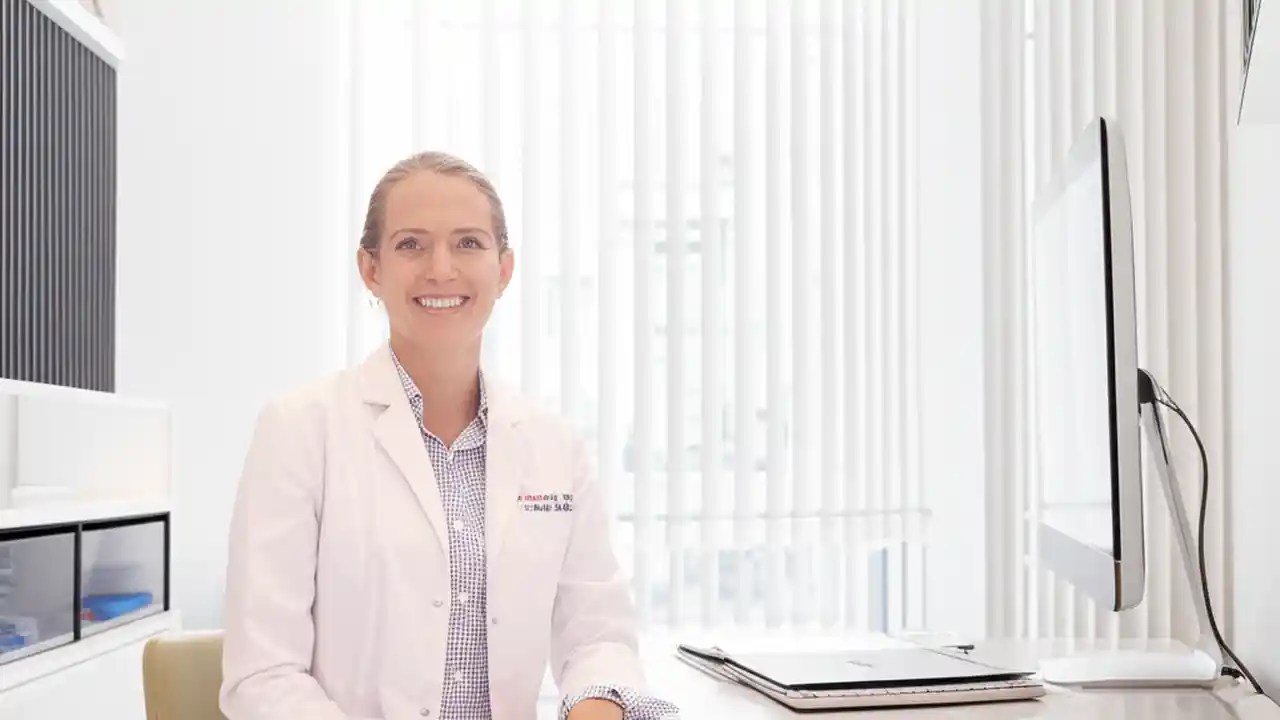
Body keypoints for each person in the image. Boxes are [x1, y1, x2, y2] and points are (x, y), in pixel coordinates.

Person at [219, 152, 679, 720]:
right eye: (412, 244)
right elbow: (263, 676)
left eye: (469, 243)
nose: (442, 268)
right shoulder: (298, 431)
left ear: (504, 269)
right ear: (371, 269)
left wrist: (597, 703)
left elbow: (598, 636)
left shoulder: (553, 447)